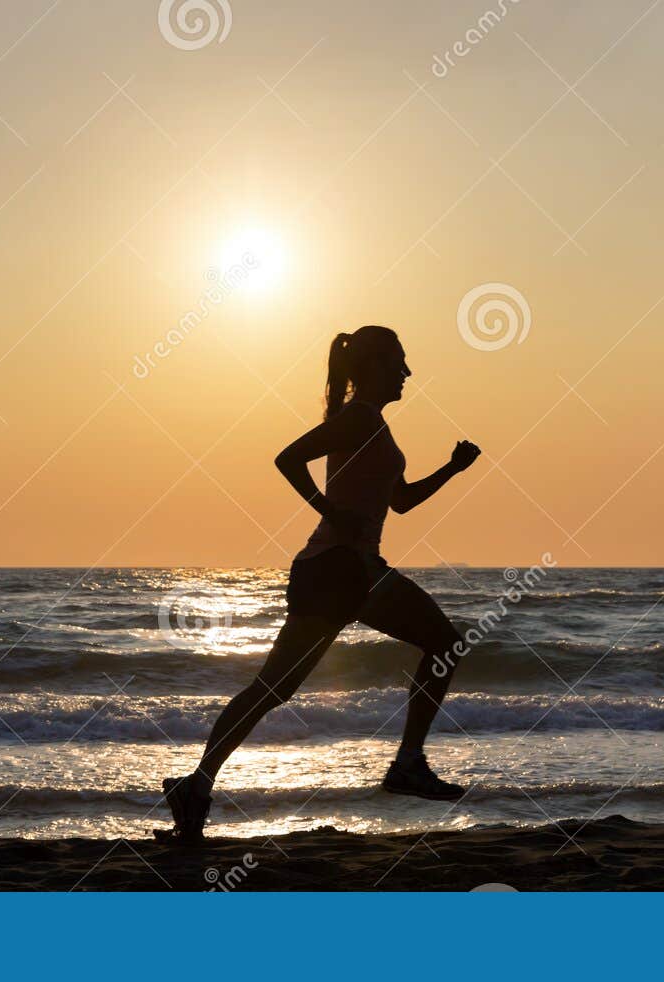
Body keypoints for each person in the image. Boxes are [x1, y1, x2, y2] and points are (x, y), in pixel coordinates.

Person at [161, 325, 482, 841]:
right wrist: (331, 509)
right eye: (399, 361)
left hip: (349, 569)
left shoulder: (372, 425)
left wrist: (451, 469)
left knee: (274, 689)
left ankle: (195, 787)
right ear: (375, 367)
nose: (407, 372)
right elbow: (287, 458)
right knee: (438, 644)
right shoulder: (357, 420)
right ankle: (407, 765)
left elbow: (399, 502)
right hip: (336, 568)